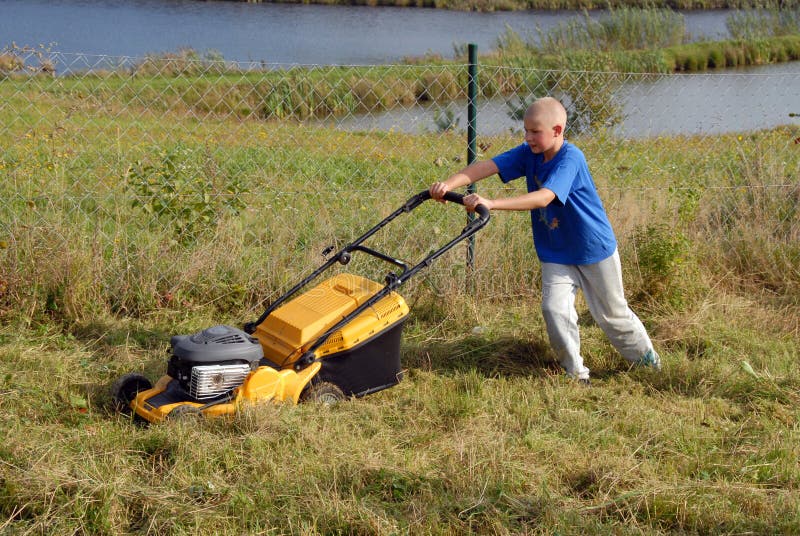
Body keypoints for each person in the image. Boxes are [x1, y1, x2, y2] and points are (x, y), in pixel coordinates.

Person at [429, 96, 660, 384]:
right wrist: (447, 185)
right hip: (555, 251)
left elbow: (545, 197)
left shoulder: (571, 158)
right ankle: (576, 373)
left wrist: (492, 202)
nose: (528, 137)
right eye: (525, 130)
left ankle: (648, 365)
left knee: (612, 315)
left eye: (535, 131)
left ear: (557, 130)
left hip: (593, 249)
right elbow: (488, 166)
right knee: (554, 309)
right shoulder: (529, 153)